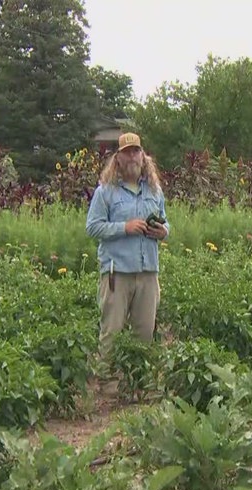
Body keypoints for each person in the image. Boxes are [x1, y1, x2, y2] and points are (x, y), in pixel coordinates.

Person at [85, 132, 170, 361]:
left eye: (136, 151)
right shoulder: (105, 192)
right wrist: (125, 227)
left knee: (144, 335)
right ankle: (107, 388)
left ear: (143, 157)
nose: (132, 156)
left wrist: (163, 231)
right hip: (117, 274)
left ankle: (141, 387)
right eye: (126, 152)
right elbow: (93, 227)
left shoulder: (154, 191)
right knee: (111, 333)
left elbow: (165, 221)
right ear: (118, 159)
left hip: (148, 273)